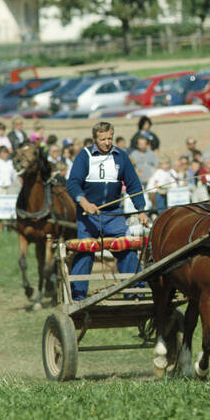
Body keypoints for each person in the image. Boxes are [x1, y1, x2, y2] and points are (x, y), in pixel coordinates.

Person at [65, 122, 149, 302]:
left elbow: (133, 184)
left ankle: (136, 291)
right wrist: (84, 202)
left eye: (109, 138)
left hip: (113, 214)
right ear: (95, 139)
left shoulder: (121, 156)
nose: (106, 142)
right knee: (85, 251)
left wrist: (141, 210)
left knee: (126, 248)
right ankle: (78, 296)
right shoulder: (84, 156)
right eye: (102, 139)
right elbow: (72, 183)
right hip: (89, 216)